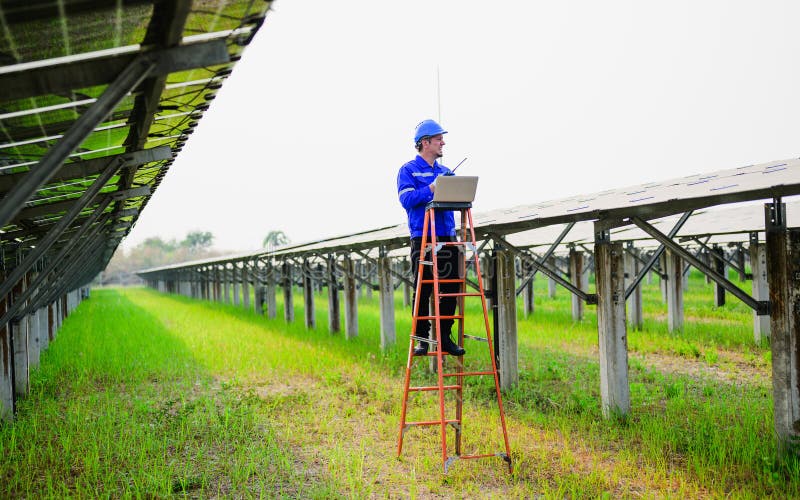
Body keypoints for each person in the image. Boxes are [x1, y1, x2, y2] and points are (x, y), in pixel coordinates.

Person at [396, 119, 465, 357]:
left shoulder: (445, 172)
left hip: (447, 236)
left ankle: (444, 337)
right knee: (423, 289)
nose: (443, 142)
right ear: (425, 143)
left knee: (452, 286)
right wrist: (432, 189)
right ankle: (422, 340)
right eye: (438, 139)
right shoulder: (408, 170)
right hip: (423, 237)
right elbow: (407, 200)